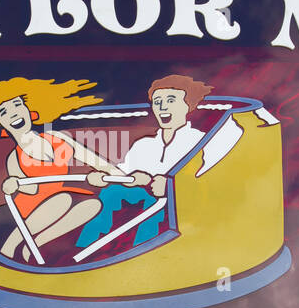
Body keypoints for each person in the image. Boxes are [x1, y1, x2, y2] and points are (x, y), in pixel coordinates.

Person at [0, 77, 122, 261]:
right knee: (62, 200)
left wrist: (124, 177)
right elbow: (30, 189)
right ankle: (8, 247)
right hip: (34, 206)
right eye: (3, 111)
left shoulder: (56, 138)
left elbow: (94, 160)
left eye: (17, 105)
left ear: (28, 108)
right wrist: (13, 184)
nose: (13, 114)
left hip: (62, 196)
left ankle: (33, 245)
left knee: (93, 205)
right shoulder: (14, 158)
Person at [81, 75, 215, 248]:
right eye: (157, 101)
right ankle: (83, 250)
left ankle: (142, 252)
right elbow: (122, 174)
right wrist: (101, 179)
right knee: (111, 193)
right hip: (138, 199)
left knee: (155, 204)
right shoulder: (143, 145)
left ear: (187, 105)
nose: (163, 106)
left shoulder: (200, 142)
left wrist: (169, 185)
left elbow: (209, 181)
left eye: (171, 100)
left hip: (180, 210)